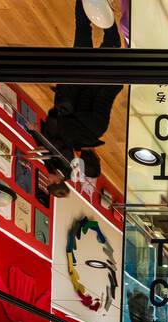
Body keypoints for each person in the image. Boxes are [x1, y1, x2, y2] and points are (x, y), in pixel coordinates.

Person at [40, 1, 123, 196]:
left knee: (111, 42)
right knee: (82, 31)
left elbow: (103, 98)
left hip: (93, 78)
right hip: (73, 81)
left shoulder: (96, 129)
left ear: (95, 156)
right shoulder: (70, 141)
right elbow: (55, 121)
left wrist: (116, 80)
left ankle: (98, 6)